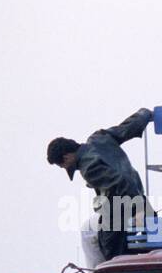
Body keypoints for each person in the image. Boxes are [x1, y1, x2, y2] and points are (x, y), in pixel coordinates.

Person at [47, 107, 154, 261]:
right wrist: (144, 115)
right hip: (141, 202)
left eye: (62, 165)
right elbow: (125, 129)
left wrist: (138, 210)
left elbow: (120, 181)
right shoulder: (98, 138)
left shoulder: (88, 167)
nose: (66, 168)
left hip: (121, 211)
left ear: (67, 157)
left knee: (112, 255)